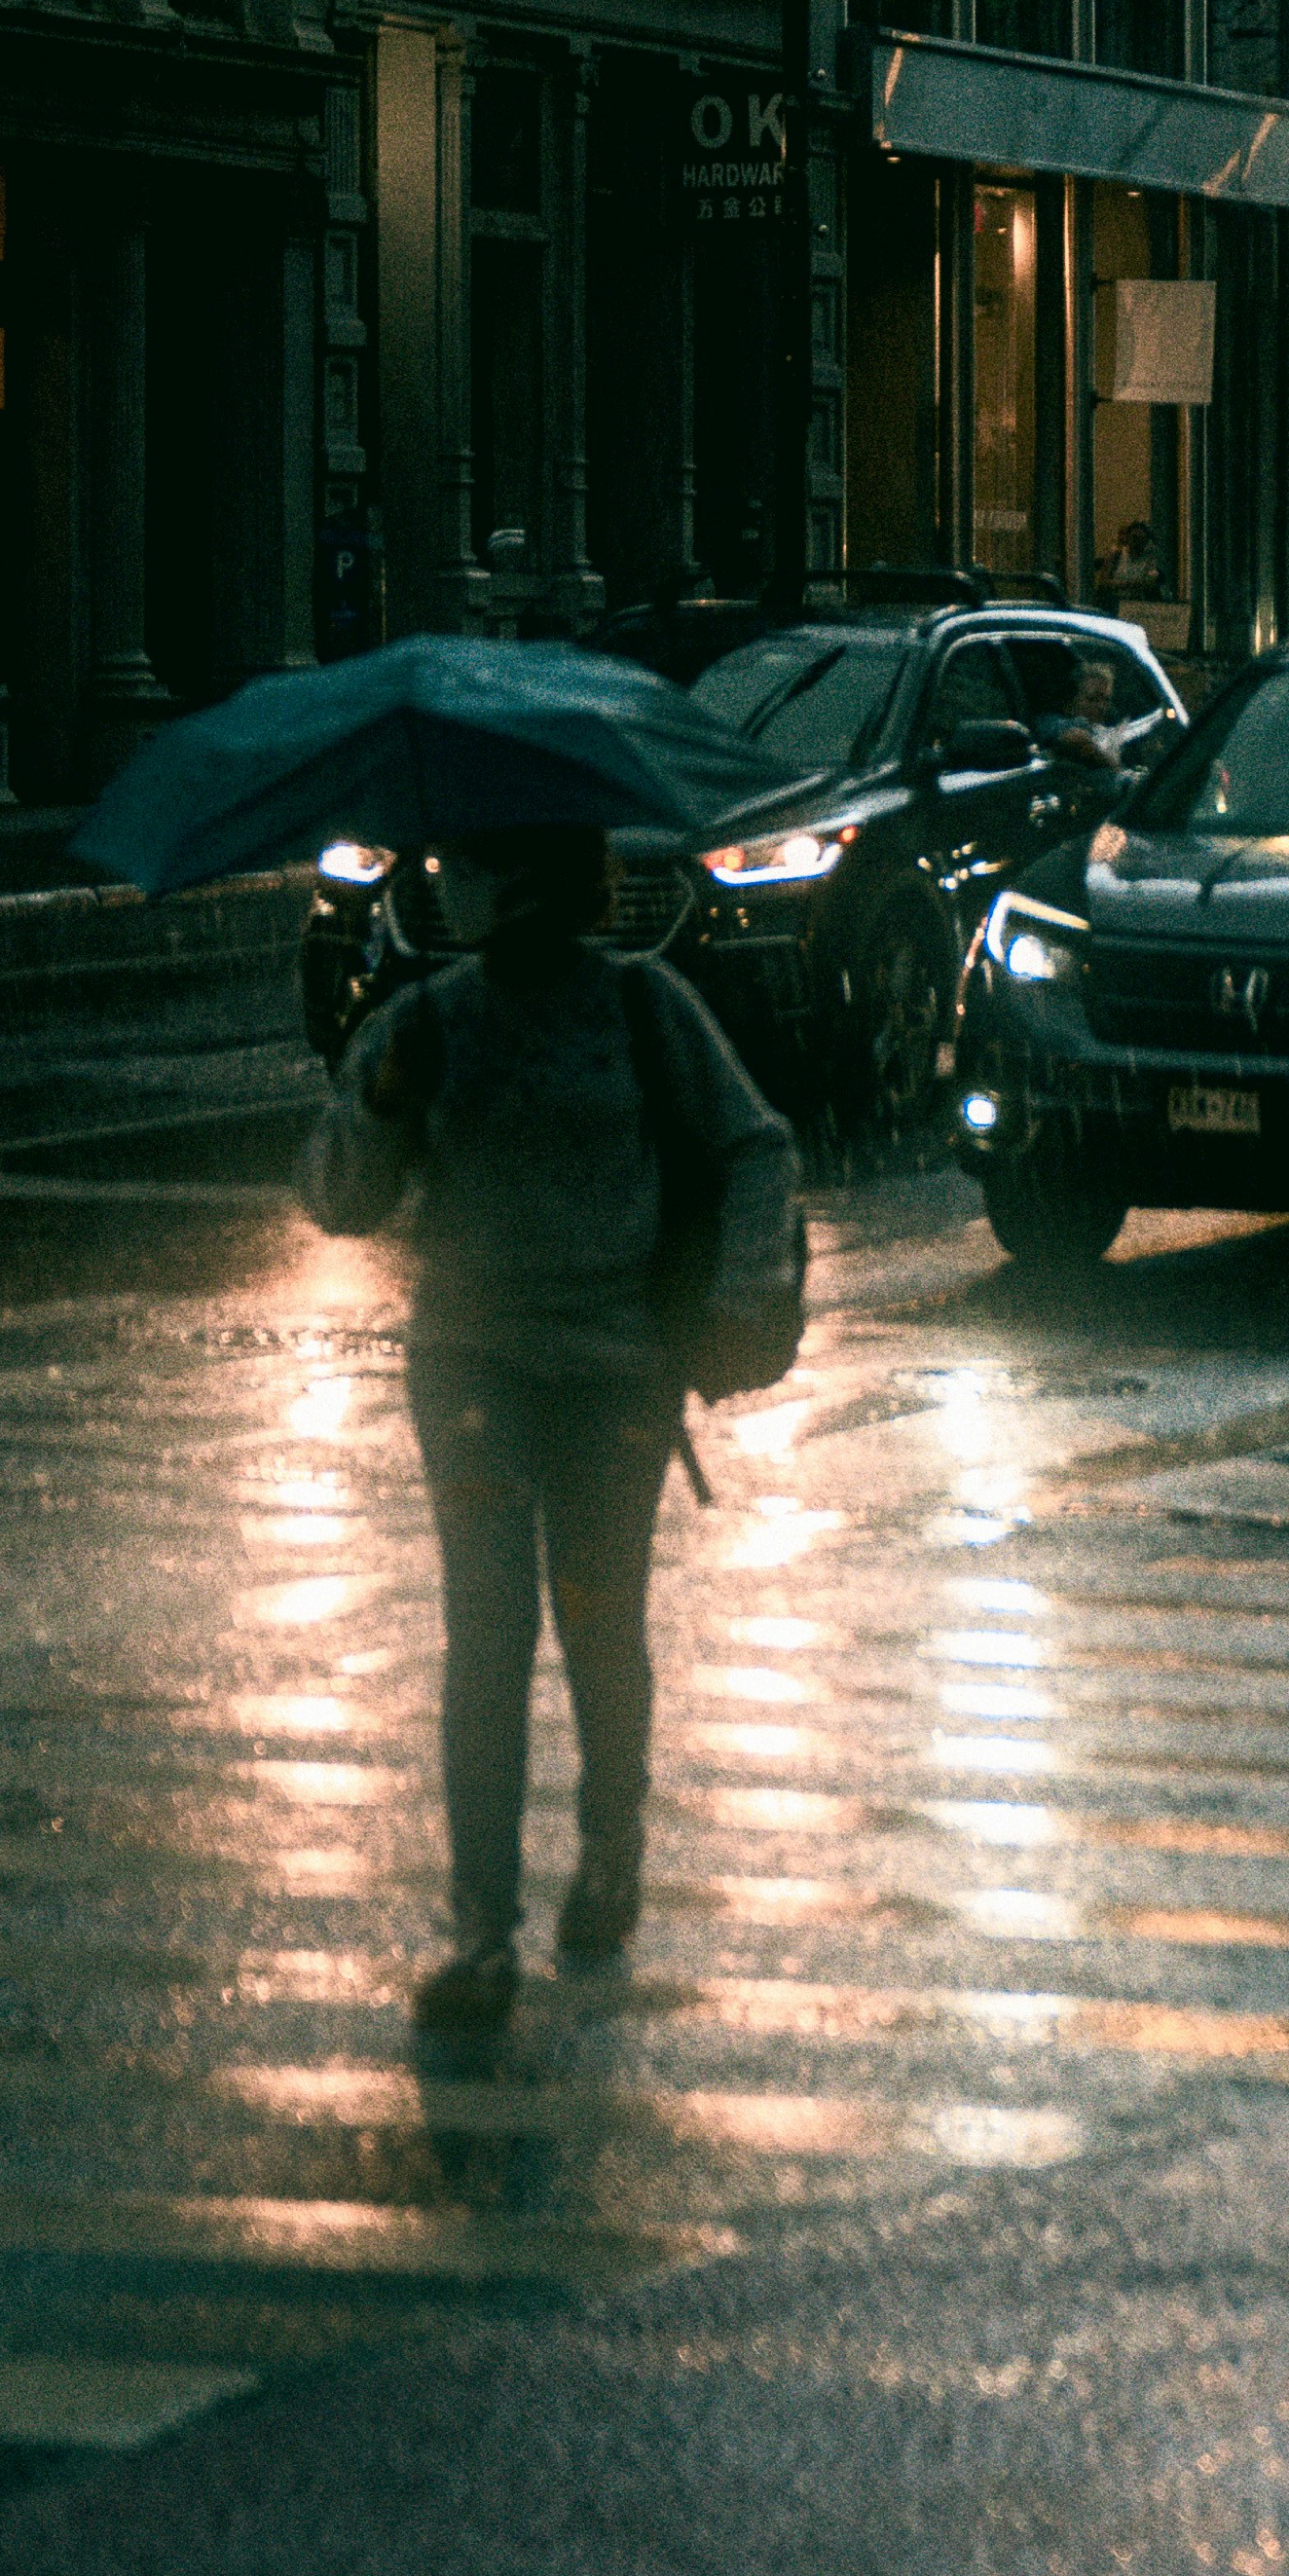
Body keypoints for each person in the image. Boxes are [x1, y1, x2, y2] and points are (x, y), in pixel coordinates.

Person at [300, 819, 798, 2039]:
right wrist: (375, 1107)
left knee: (596, 1619)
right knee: (486, 1638)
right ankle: (481, 1933)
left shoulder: (644, 1006)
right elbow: (335, 1194)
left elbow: (756, 1146)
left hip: (613, 1381)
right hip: (472, 1373)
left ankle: (609, 1857)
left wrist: (731, 1307)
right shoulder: (424, 1022)